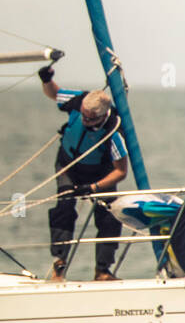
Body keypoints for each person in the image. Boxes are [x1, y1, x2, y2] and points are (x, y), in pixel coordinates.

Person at [39, 65, 129, 281]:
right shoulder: (78, 100)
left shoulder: (113, 131)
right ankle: (59, 266)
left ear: (102, 115)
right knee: (65, 207)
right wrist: (46, 80)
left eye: (90, 119)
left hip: (101, 175)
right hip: (68, 166)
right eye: (83, 117)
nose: (85, 121)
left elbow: (121, 172)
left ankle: (102, 271)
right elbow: (54, 93)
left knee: (109, 215)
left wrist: (94, 188)